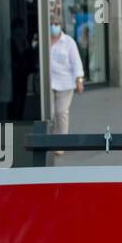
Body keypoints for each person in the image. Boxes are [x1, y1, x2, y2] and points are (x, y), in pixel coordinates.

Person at [50, 20, 84, 156]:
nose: (54, 27)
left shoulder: (69, 42)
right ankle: (51, 141)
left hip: (65, 83)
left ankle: (61, 143)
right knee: (49, 113)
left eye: (56, 24)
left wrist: (79, 80)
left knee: (61, 112)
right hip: (49, 83)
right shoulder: (45, 40)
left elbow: (76, 62)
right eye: (52, 24)